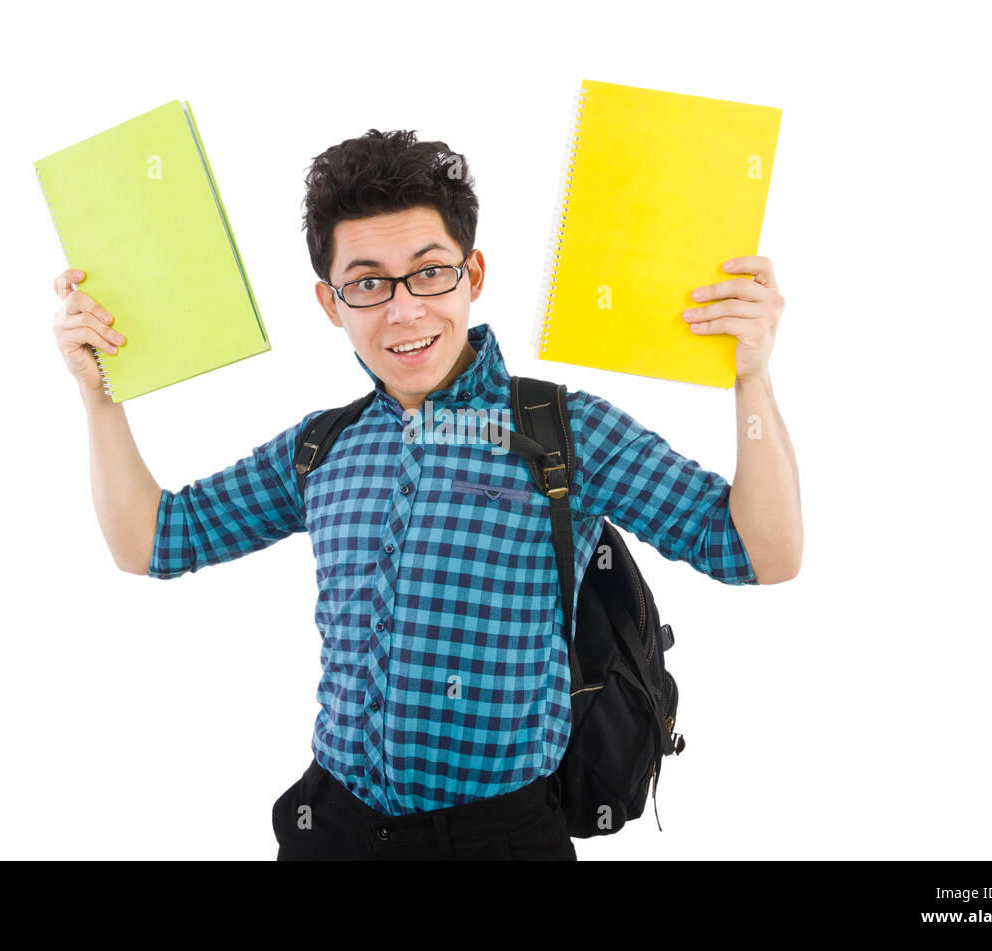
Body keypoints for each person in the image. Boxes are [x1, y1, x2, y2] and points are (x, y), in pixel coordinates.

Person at [49, 129, 803, 860]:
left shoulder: (565, 431)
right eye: (368, 282)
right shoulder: (322, 446)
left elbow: (757, 551)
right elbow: (153, 539)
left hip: (499, 841)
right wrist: (99, 396)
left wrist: (752, 377)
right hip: (331, 828)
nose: (404, 310)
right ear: (330, 302)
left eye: (430, 271)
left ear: (472, 276)